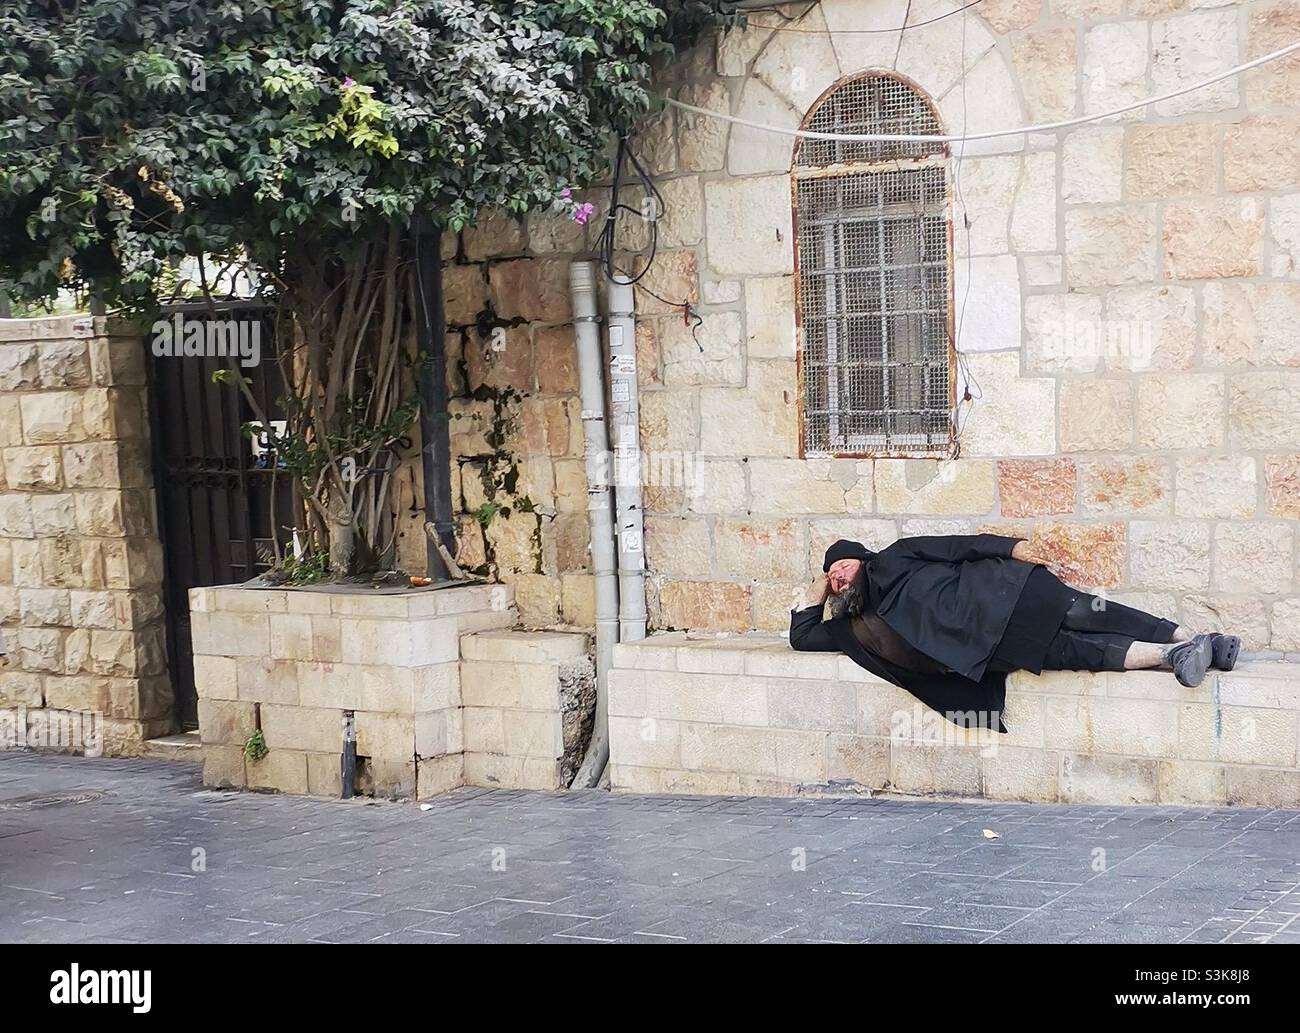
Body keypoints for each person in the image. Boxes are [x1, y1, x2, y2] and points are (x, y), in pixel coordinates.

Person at [789, 534, 1239, 733]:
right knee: (1077, 652)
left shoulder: (895, 558)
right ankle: (1175, 658)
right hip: (990, 648)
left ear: (863, 560)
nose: (837, 577)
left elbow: (956, 546)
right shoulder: (851, 630)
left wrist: (1011, 548)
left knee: (1089, 612)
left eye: (843, 566)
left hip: (1007, 595)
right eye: (831, 576)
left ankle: (1194, 637)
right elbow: (802, 636)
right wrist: (818, 588)